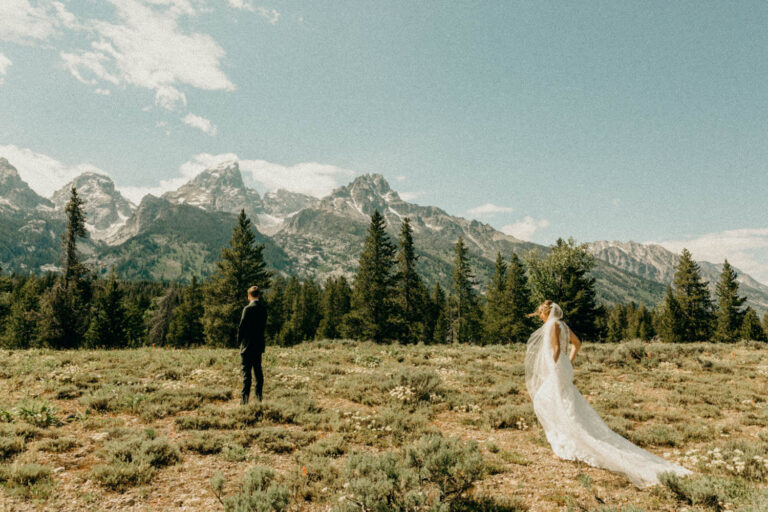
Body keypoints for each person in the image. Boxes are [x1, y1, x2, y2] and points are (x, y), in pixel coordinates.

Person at [524, 300, 692, 487]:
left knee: (545, 399)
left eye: (540, 314)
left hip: (557, 368)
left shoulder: (552, 325)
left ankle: (566, 443)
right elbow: (577, 344)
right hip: (565, 367)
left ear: (546, 313)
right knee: (563, 400)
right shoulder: (563, 325)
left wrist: (552, 368)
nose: (540, 317)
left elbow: (555, 349)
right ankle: (565, 439)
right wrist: (568, 362)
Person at [238, 285, 267, 404]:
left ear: (249, 296)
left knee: (247, 375)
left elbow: (242, 327)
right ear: (258, 295)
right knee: (258, 373)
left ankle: (244, 401)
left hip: (247, 345)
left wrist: (239, 342)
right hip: (258, 345)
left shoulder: (247, 309)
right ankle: (258, 399)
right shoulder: (263, 309)